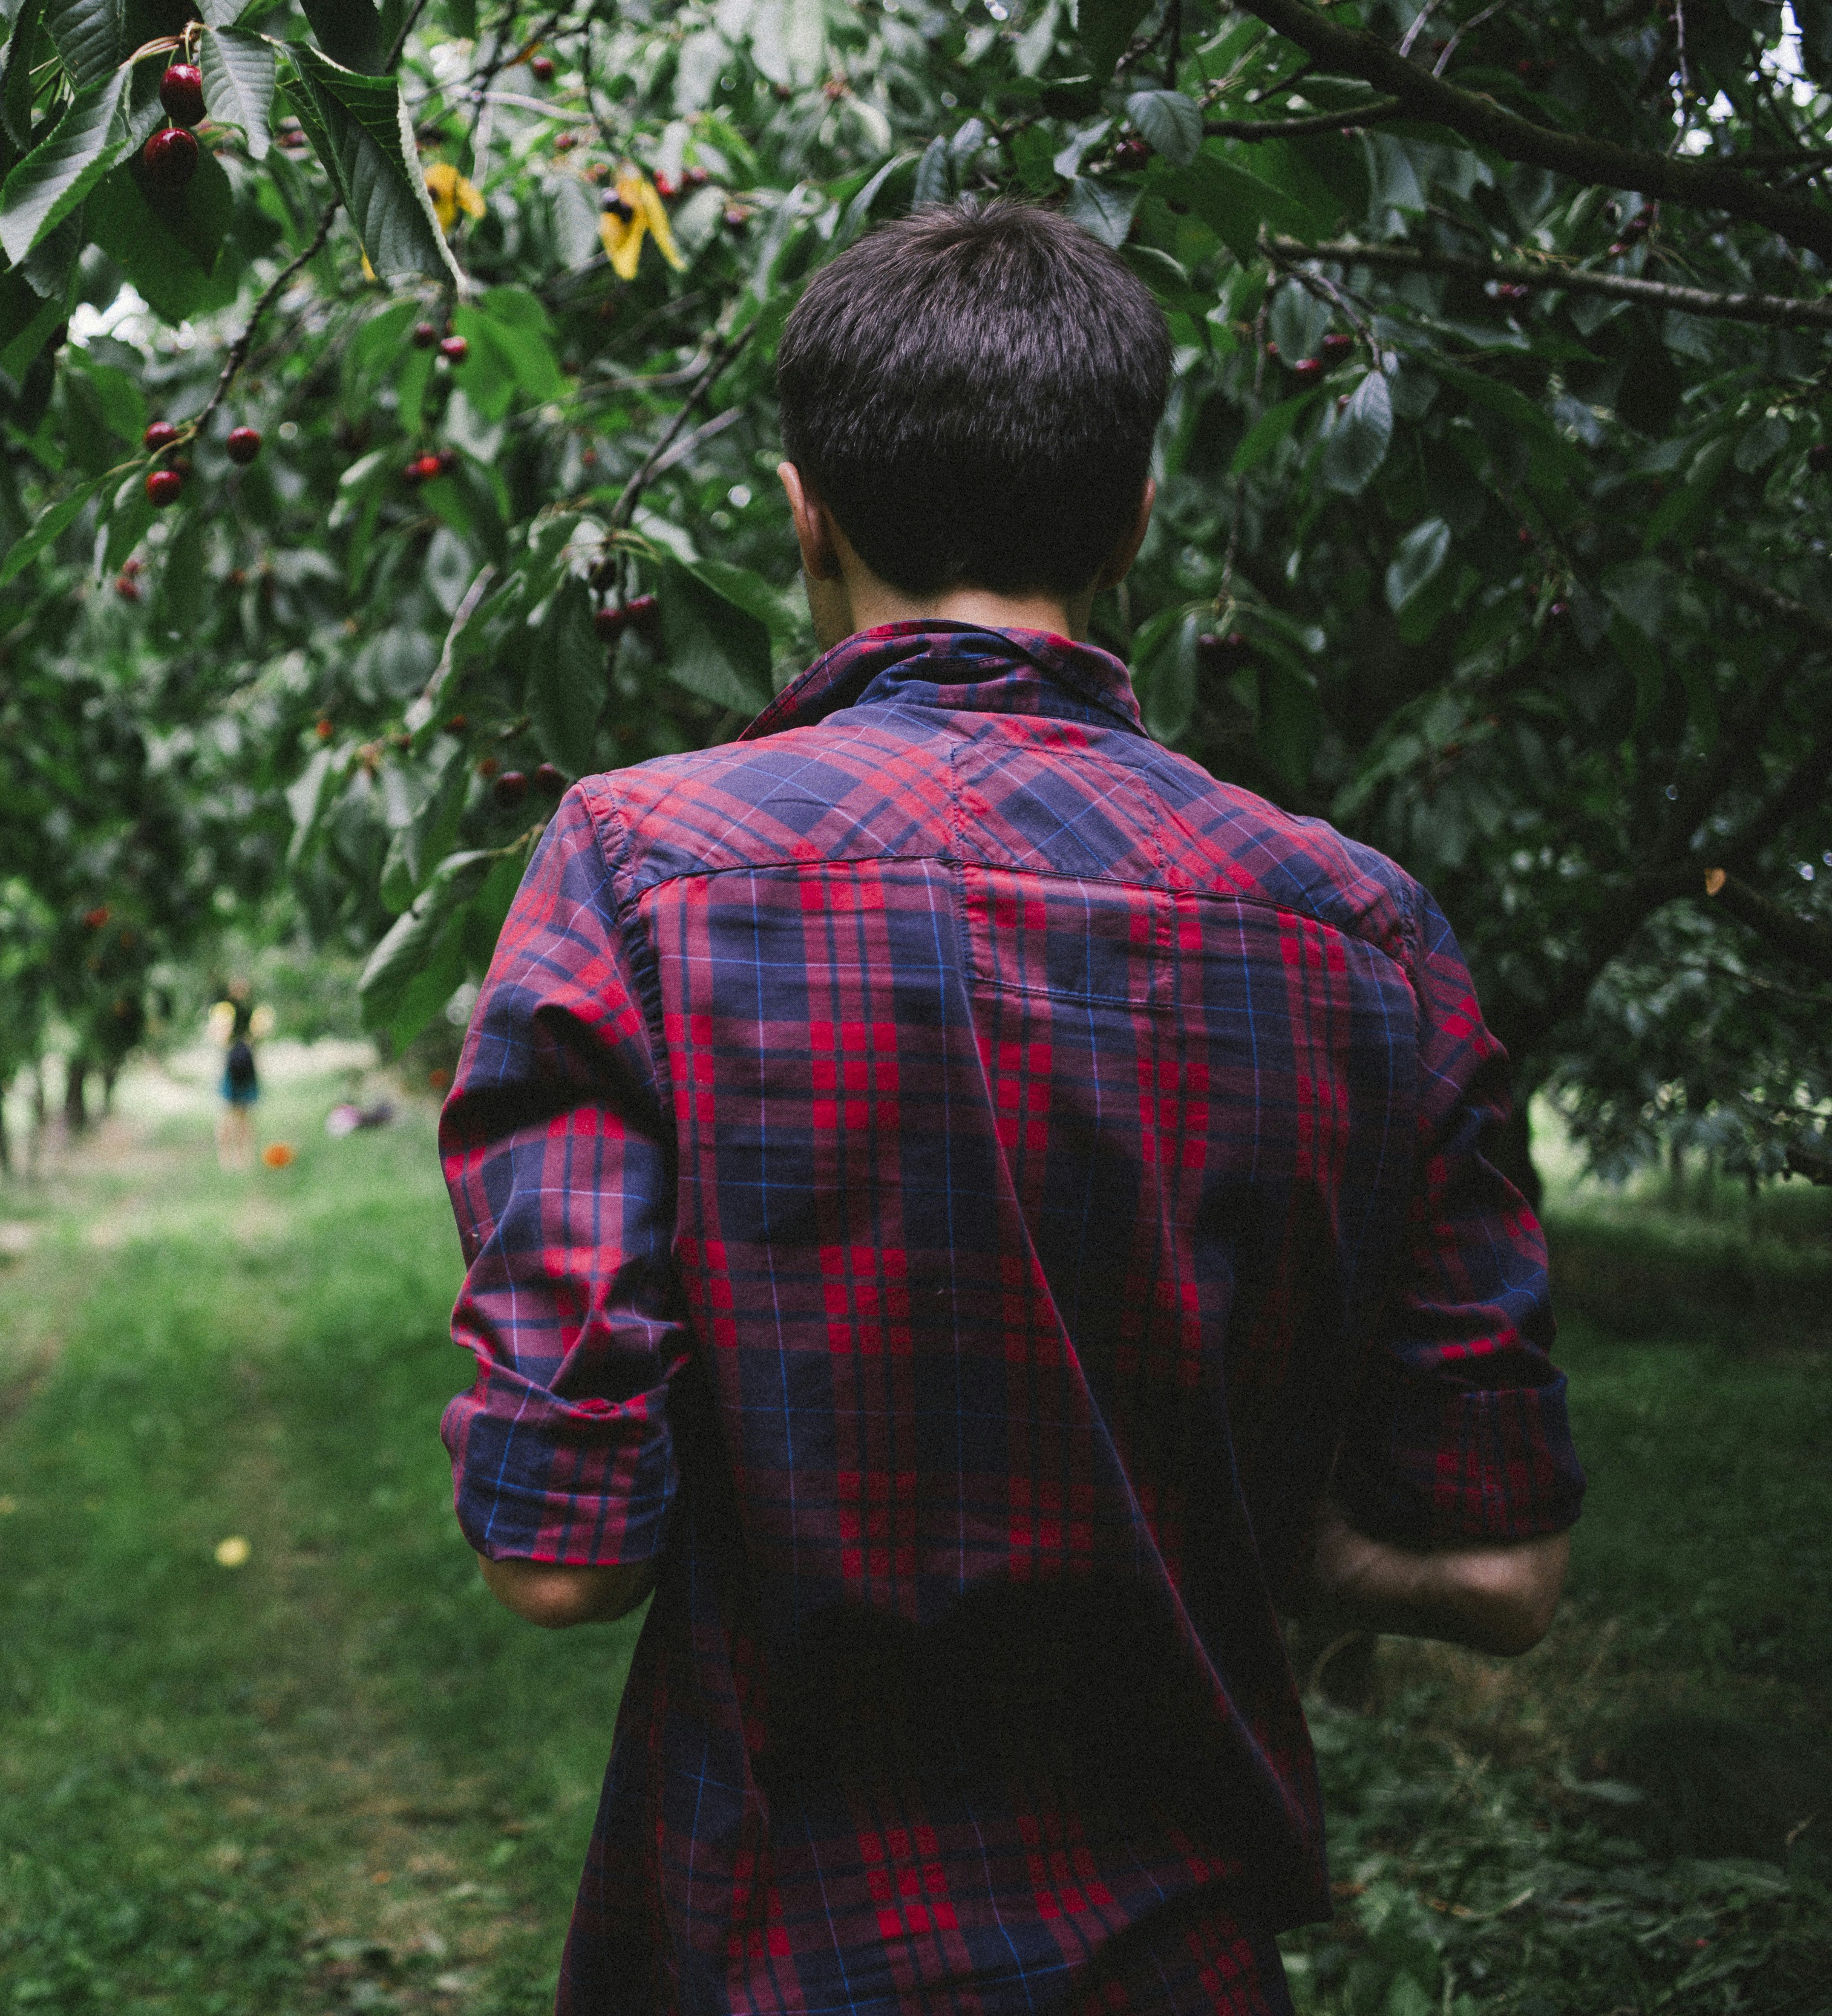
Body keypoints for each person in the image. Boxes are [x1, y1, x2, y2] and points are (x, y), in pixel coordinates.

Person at [436, 198, 1582, 2015]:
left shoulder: (636, 875)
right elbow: (1500, 1567)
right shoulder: (1365, 933)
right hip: (1177, 1965)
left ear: (800, 507)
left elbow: (559, 1560)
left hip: (769, 1949)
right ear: (1133, 516)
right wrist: (1199, 1513)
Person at [214, 982, 262, 1169]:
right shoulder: (224, 1010)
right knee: (228, 1115)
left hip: (246, 1067)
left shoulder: (250, 1010)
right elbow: (219, 1037)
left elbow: (257, 1037)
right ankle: (226, 1158)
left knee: (244, 1115)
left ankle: (245, 1158)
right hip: (231, 1068)